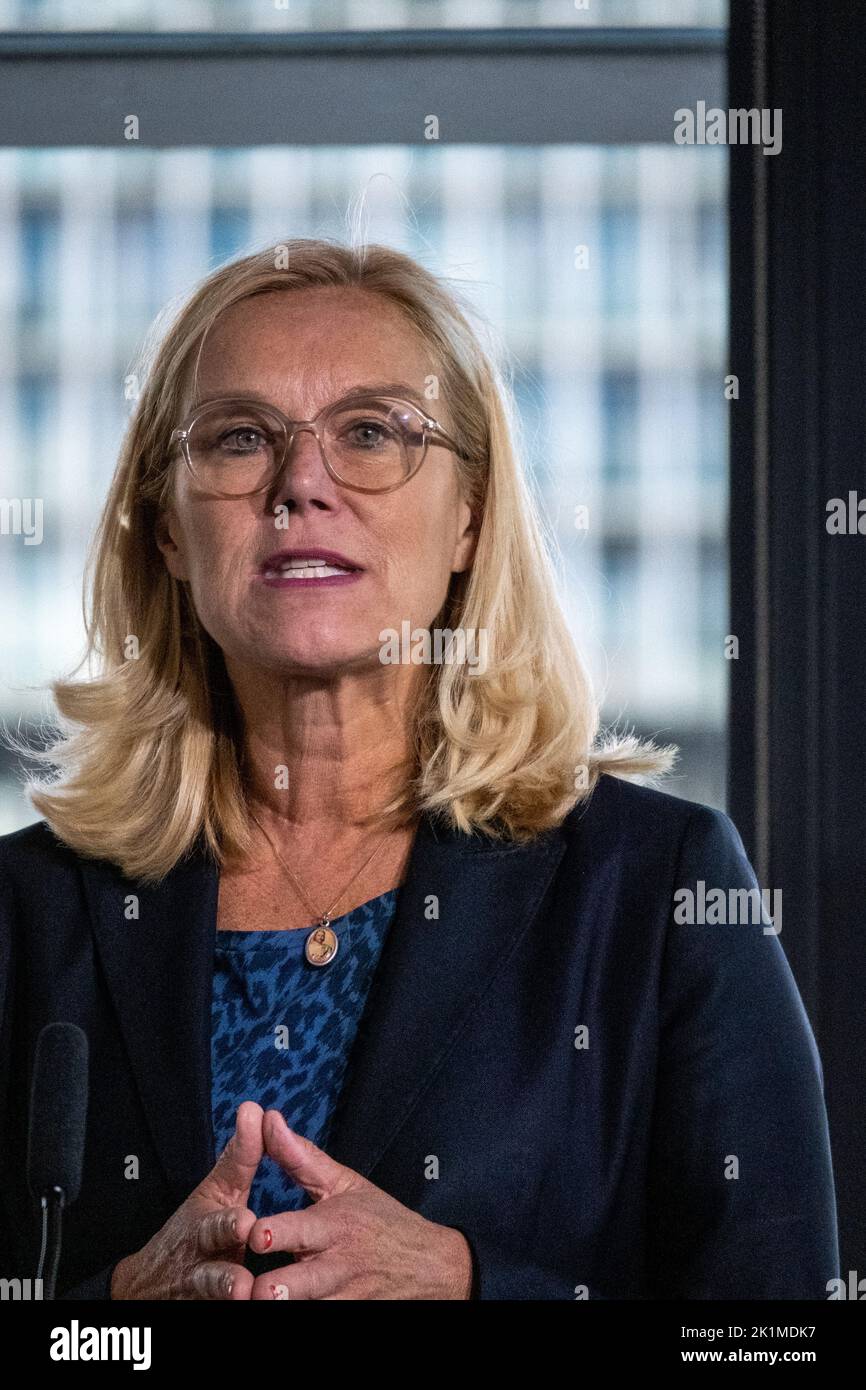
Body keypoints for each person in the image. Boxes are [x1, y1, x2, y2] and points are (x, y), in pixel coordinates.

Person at [0, 238, 838, 1300]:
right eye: (240, 437)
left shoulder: (657, 889)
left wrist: (468, 1287)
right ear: (167, 526)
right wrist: (115, 1316)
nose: (300, 483)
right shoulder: (29, 913)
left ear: (469, 518)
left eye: (370, 432)